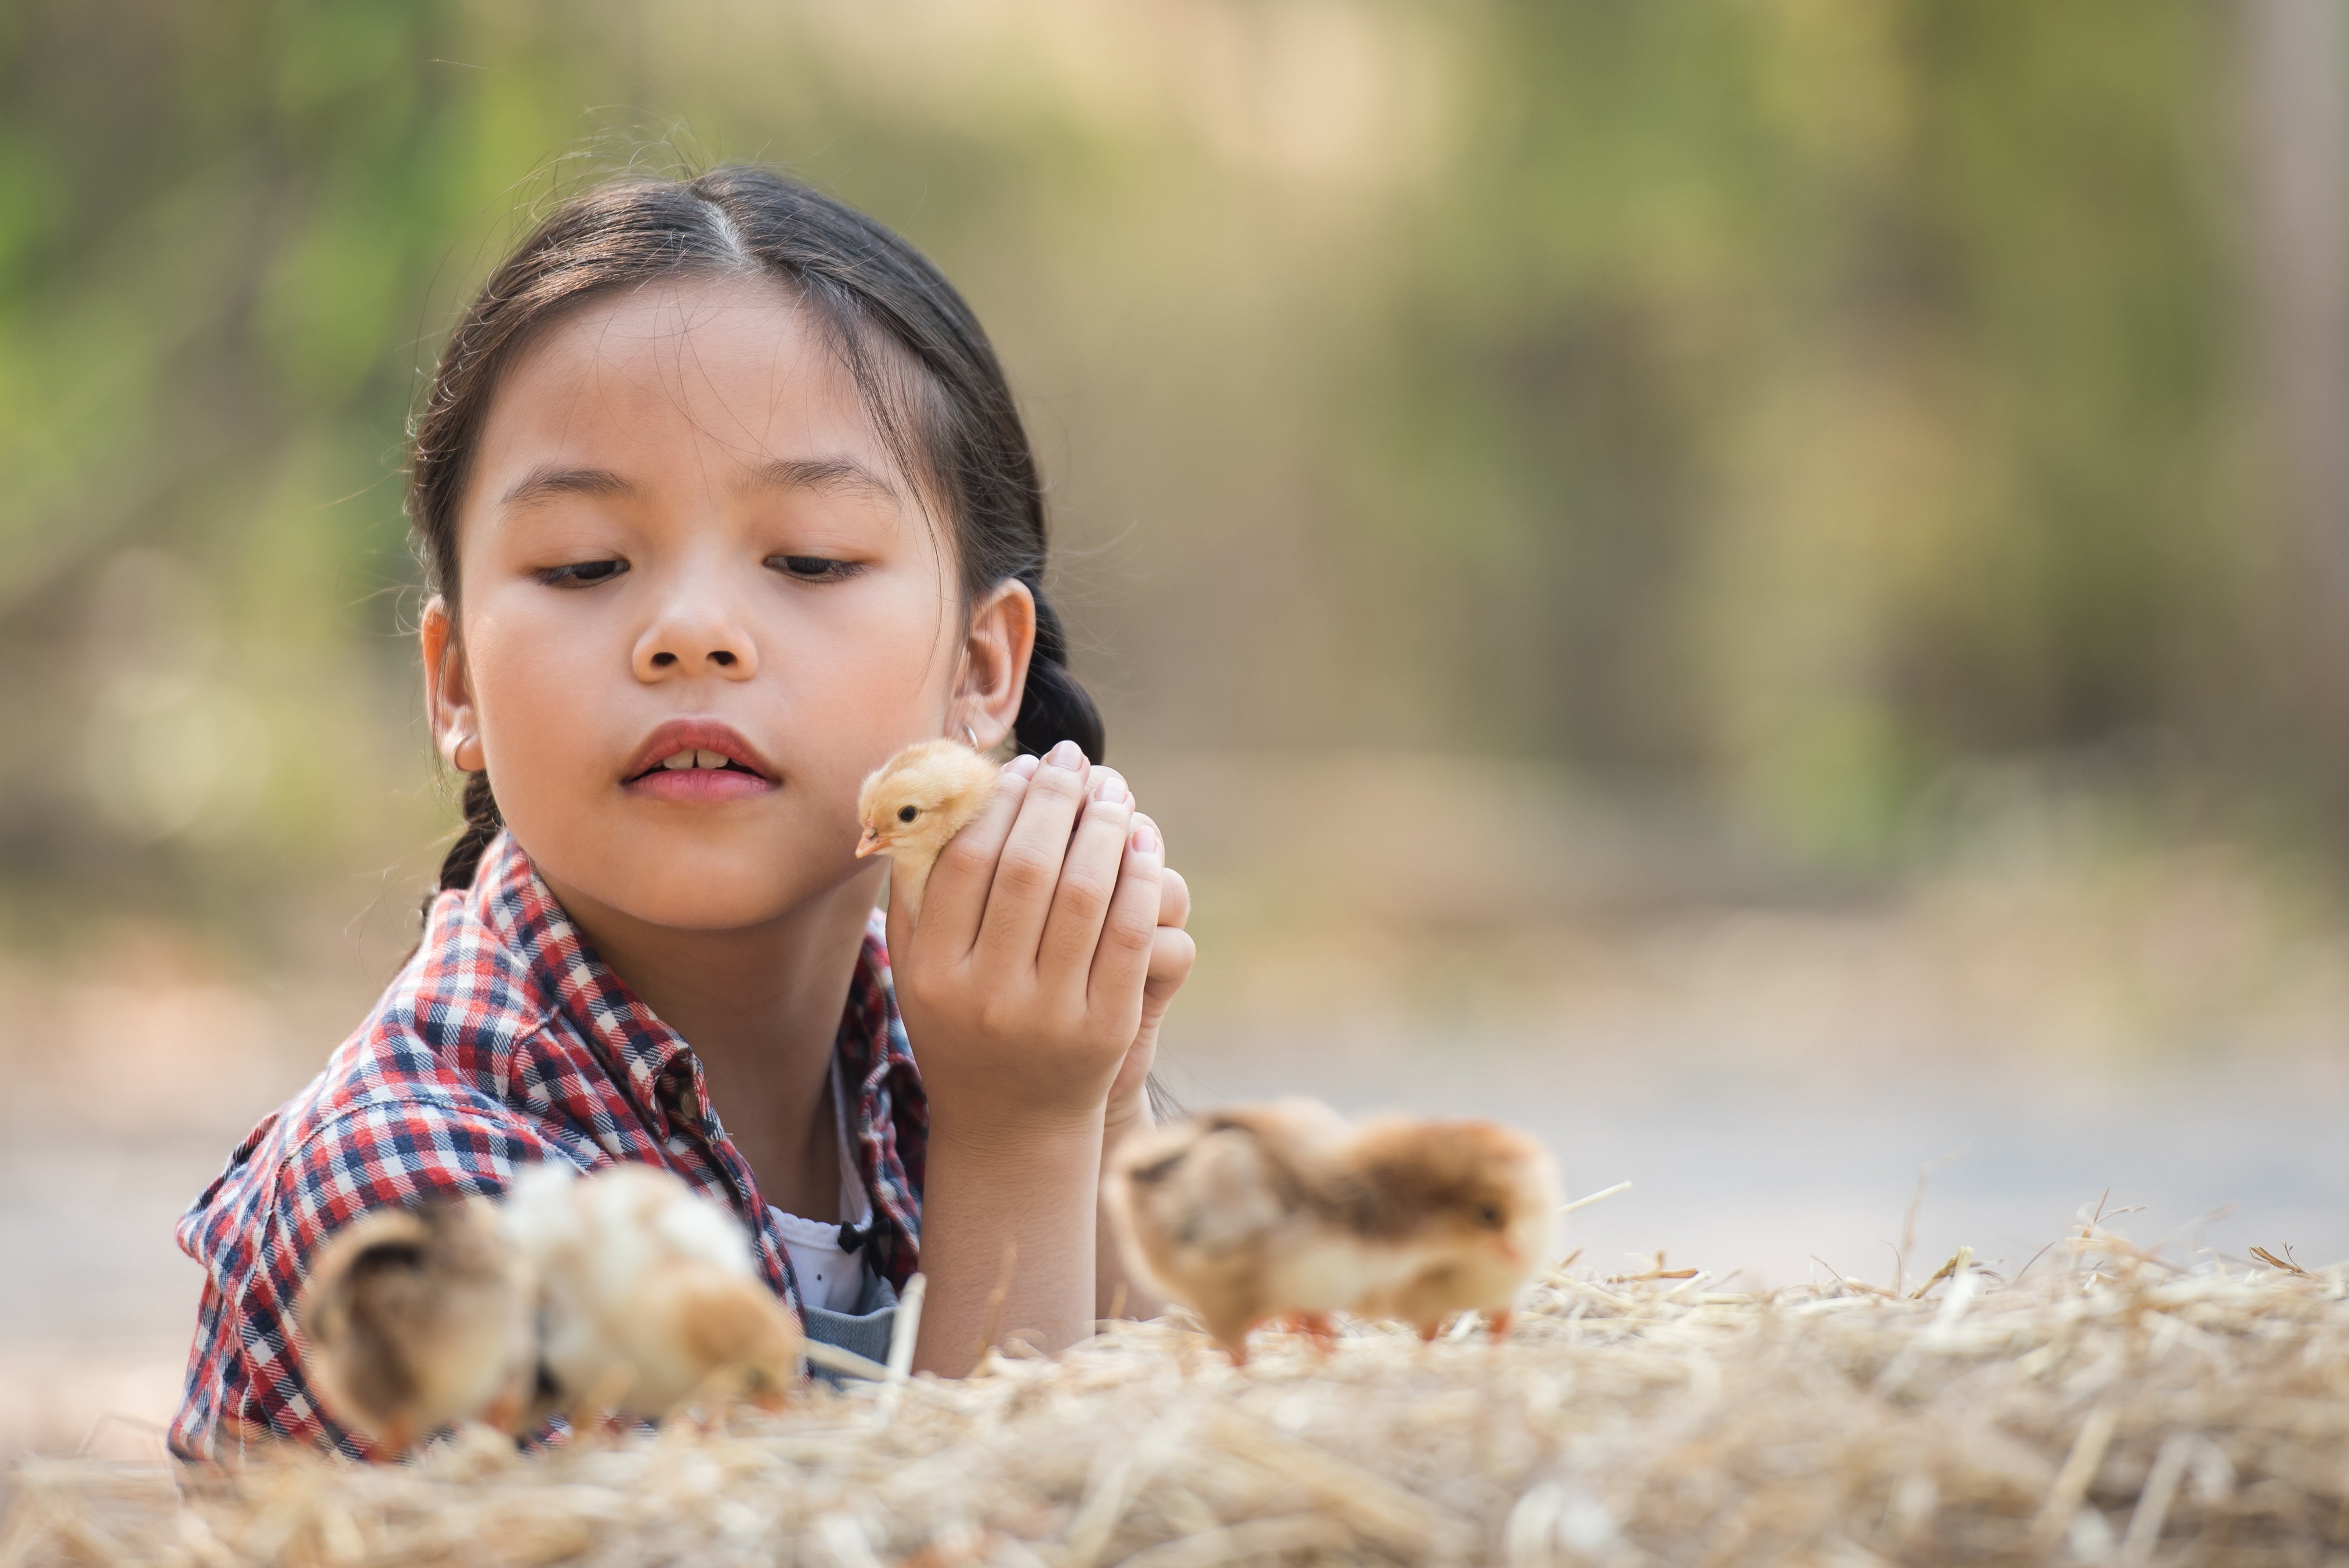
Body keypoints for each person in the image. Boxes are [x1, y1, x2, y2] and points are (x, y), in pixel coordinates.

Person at [169, 166, 1194, 1461]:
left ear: (984, 670)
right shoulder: (408, 1213)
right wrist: (1018, 1143)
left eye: (810, 558)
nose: (693, 633)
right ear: (456, 684)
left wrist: (1097, 1096)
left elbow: (1199, 1490)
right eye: (586, 564)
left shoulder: (950, 1054)